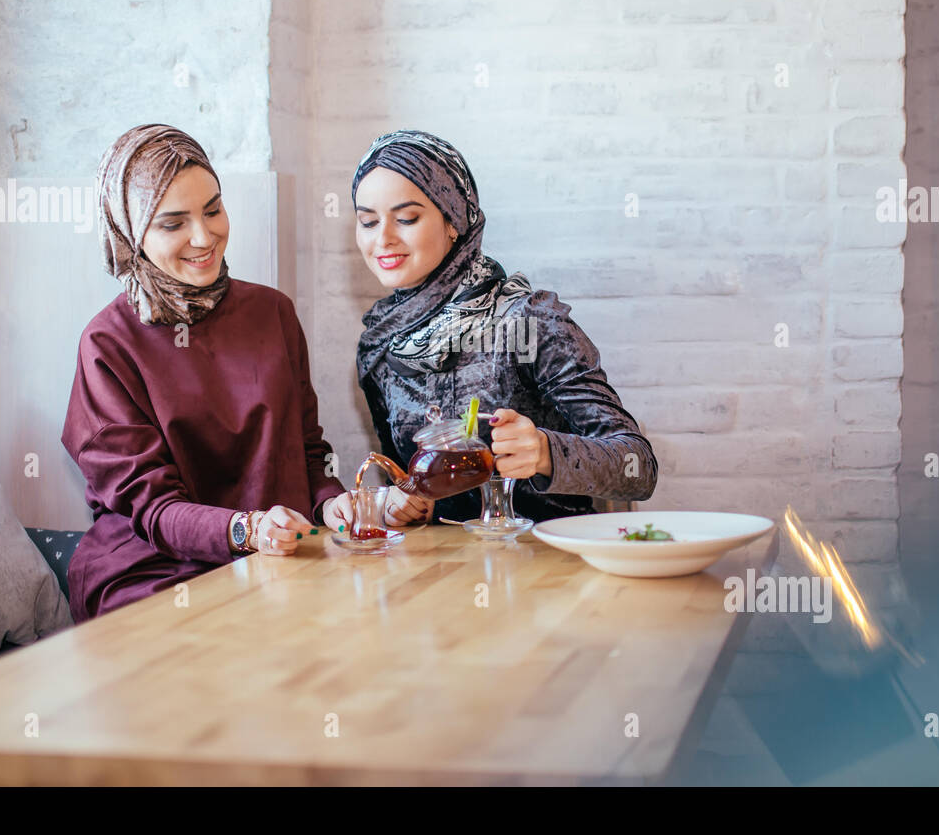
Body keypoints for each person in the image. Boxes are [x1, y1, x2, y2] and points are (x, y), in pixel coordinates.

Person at [62, 124, 352, 622]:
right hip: (155, 574)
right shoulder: (108, 345)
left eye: (213, 210)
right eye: (173, 223)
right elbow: (151, 508)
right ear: (131, 234)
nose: (204, 237)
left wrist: (331, 502)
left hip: (277, 560)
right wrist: (245, 529)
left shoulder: (272, 313)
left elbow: (308, 451)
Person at [351, 129, 658, 526]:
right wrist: (404, 499)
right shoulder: (380, 346)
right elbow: (405, 479)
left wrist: (546, 452)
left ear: (453, 221)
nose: (383, 239)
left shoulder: (527, 321)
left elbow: (639, 467)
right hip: (438, 574)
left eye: (406, 218)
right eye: (368, 222)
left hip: (550, 566)